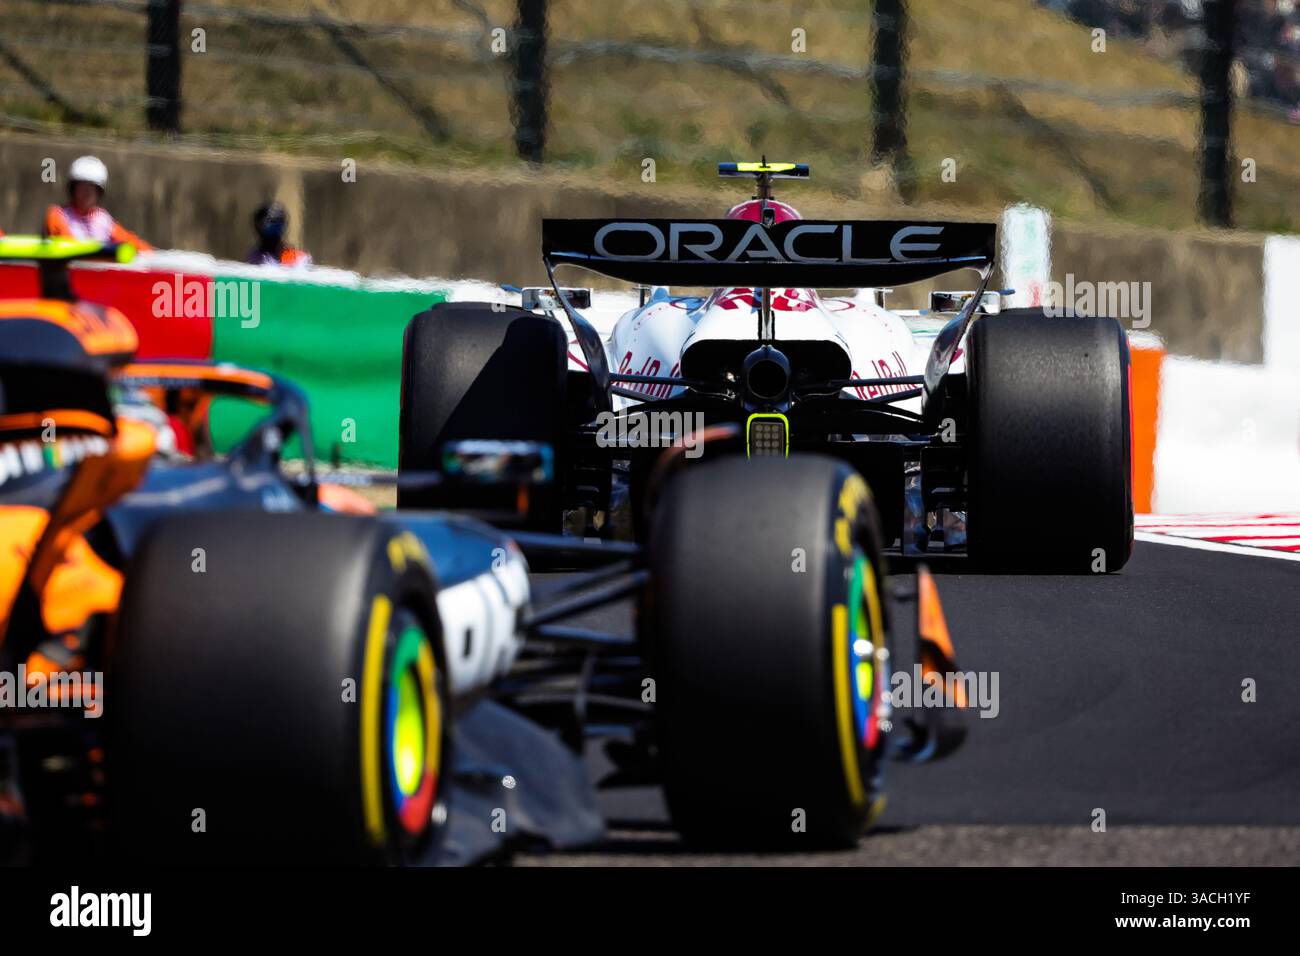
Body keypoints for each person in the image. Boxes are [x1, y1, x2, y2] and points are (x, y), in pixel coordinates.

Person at [44, 155, 153, 250]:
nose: (87, 192)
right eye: (82, 186)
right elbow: (67, 244)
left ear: (98, 191)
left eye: (92, 187)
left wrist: (154, 254)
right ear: (73, 189)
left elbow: (132, 243)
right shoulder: (57, 215)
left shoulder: (103, 220)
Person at [246, 201, 312, 267]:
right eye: (271, 221)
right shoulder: (254, 257)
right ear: (258, 225)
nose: (275, 225)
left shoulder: (298, 259)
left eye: (280, 221)